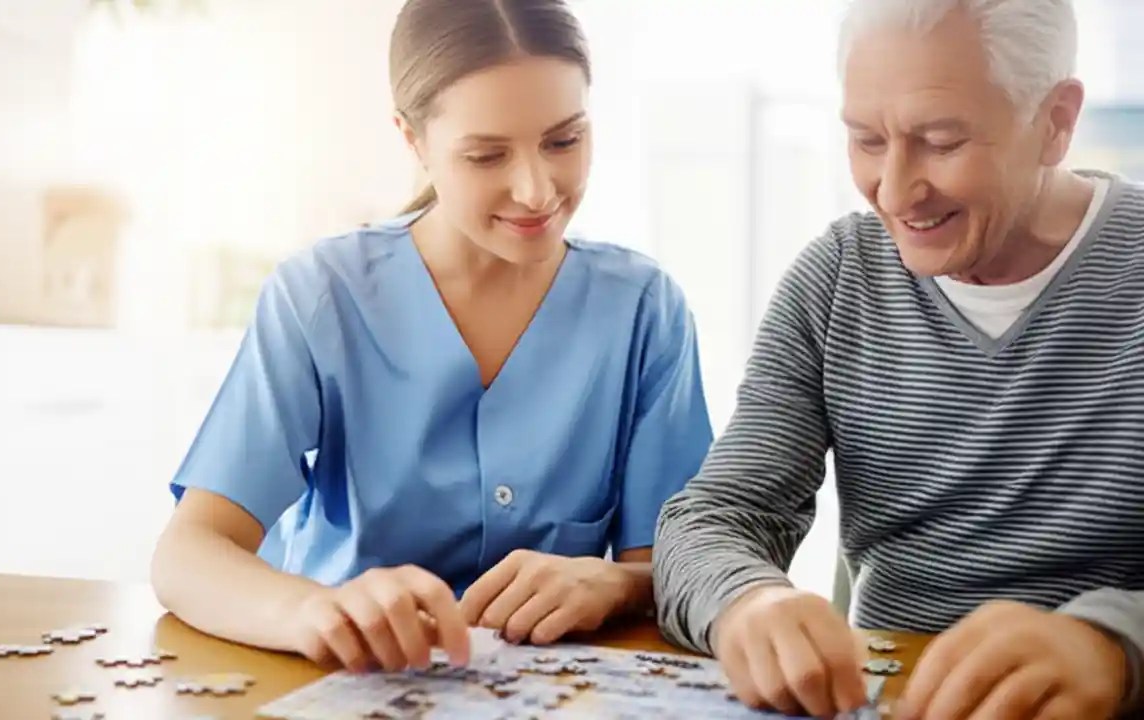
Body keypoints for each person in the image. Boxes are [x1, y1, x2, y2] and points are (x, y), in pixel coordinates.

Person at [151, 0, 713, 676]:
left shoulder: (644, 310)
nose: (536, 191)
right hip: (343, 684)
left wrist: (617, 587)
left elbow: (678, 564)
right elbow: (189, 554)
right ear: (414, 141)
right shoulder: (321, 296)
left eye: (564, 141)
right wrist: (310, 612)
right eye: (486, 155)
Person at [653, 0, 1143, 718]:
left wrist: (1113, 644)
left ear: (1055, 122)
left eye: (940, 142)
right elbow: (716, 516)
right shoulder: (837, 278)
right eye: (866, 140)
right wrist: (746, 603)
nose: (893, 189)